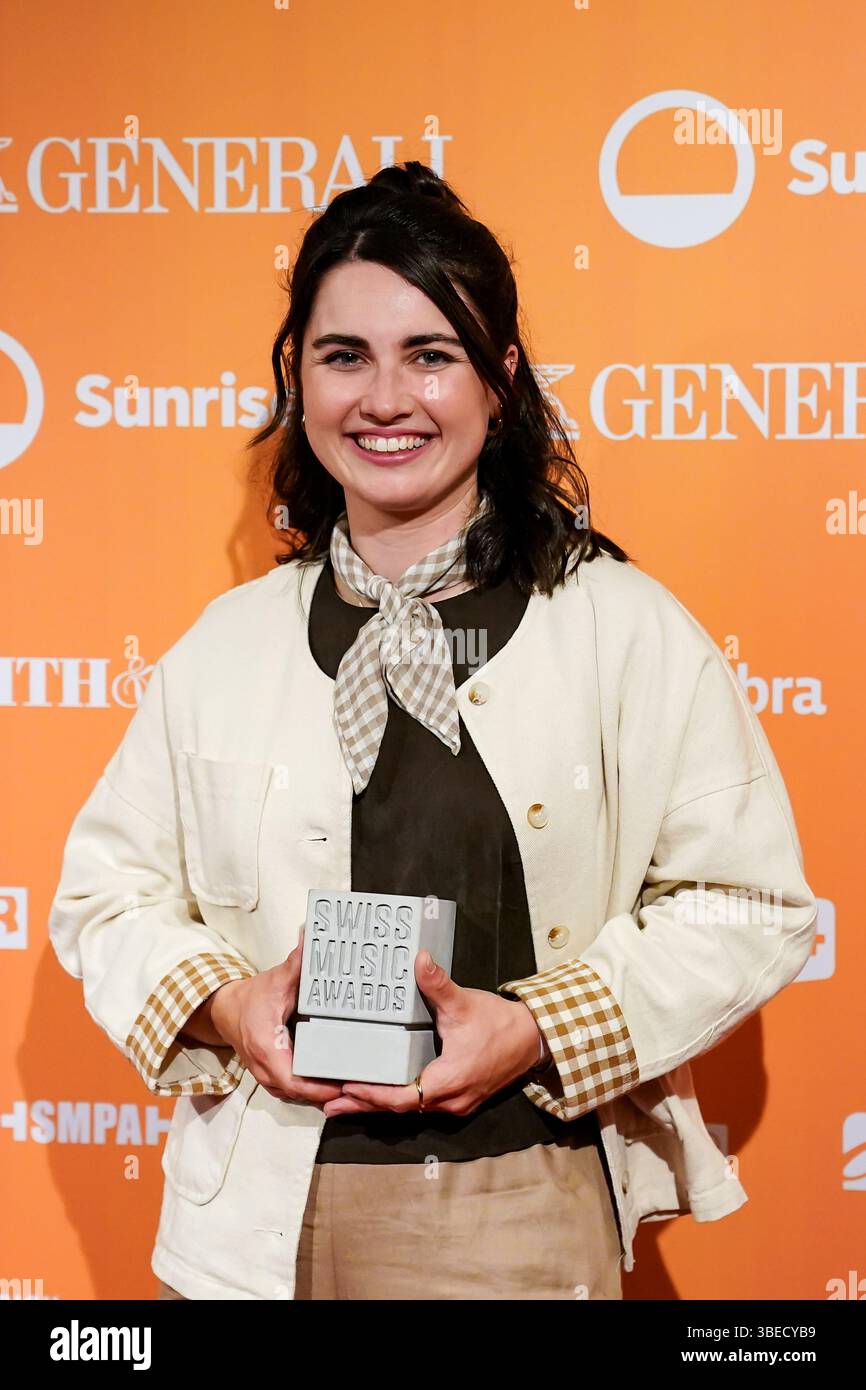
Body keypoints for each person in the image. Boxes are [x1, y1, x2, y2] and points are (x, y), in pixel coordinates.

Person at [48, 161, 818, 1301]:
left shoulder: (621, 627)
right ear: (297, 380)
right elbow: (104, 898)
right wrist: (226, 1002)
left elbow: (751, 906)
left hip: (517, 1209)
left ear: (500, 379)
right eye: (343, 354)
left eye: (431, 354)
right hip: (251, 1223)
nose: (384, 398)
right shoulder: (226, 644)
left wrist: (535, 1024)